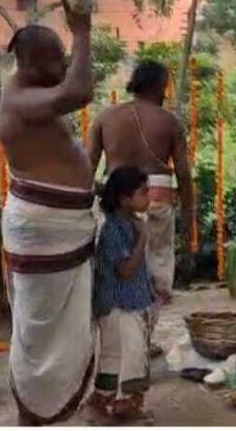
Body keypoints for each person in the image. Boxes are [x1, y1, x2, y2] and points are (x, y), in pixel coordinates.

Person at [0, 0, 97, 425]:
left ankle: (46, 413)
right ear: (32, 62)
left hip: (59, 226)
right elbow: (80, 92)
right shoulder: (20, 99)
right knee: (41, 335)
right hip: (45, 227)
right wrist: (83, 34)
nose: (63, 63)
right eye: (56, 56)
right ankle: (35, 414)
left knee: (57, 330)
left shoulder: (31, 94)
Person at [87, 60, 194, 353]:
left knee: (114, 266)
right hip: (156, 197)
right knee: (156, 267)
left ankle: (118, 338)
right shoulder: (169, 121)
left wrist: (105, 192)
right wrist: (189, 219)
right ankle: (142, 339)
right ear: (160, 86)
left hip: (114, 200)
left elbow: (87, 169)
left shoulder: (106, 117)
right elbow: (183, 174)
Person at [86, 166, 155, 424]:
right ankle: (117, 405)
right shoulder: (113, 229)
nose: (149, 197)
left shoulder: (127, 222)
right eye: (143, 192)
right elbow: (126, 270)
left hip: (126, 302)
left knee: (118, 356)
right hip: (119, 304)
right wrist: (143, 238)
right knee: (127, 356)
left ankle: (110, 404)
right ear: (125, 199)